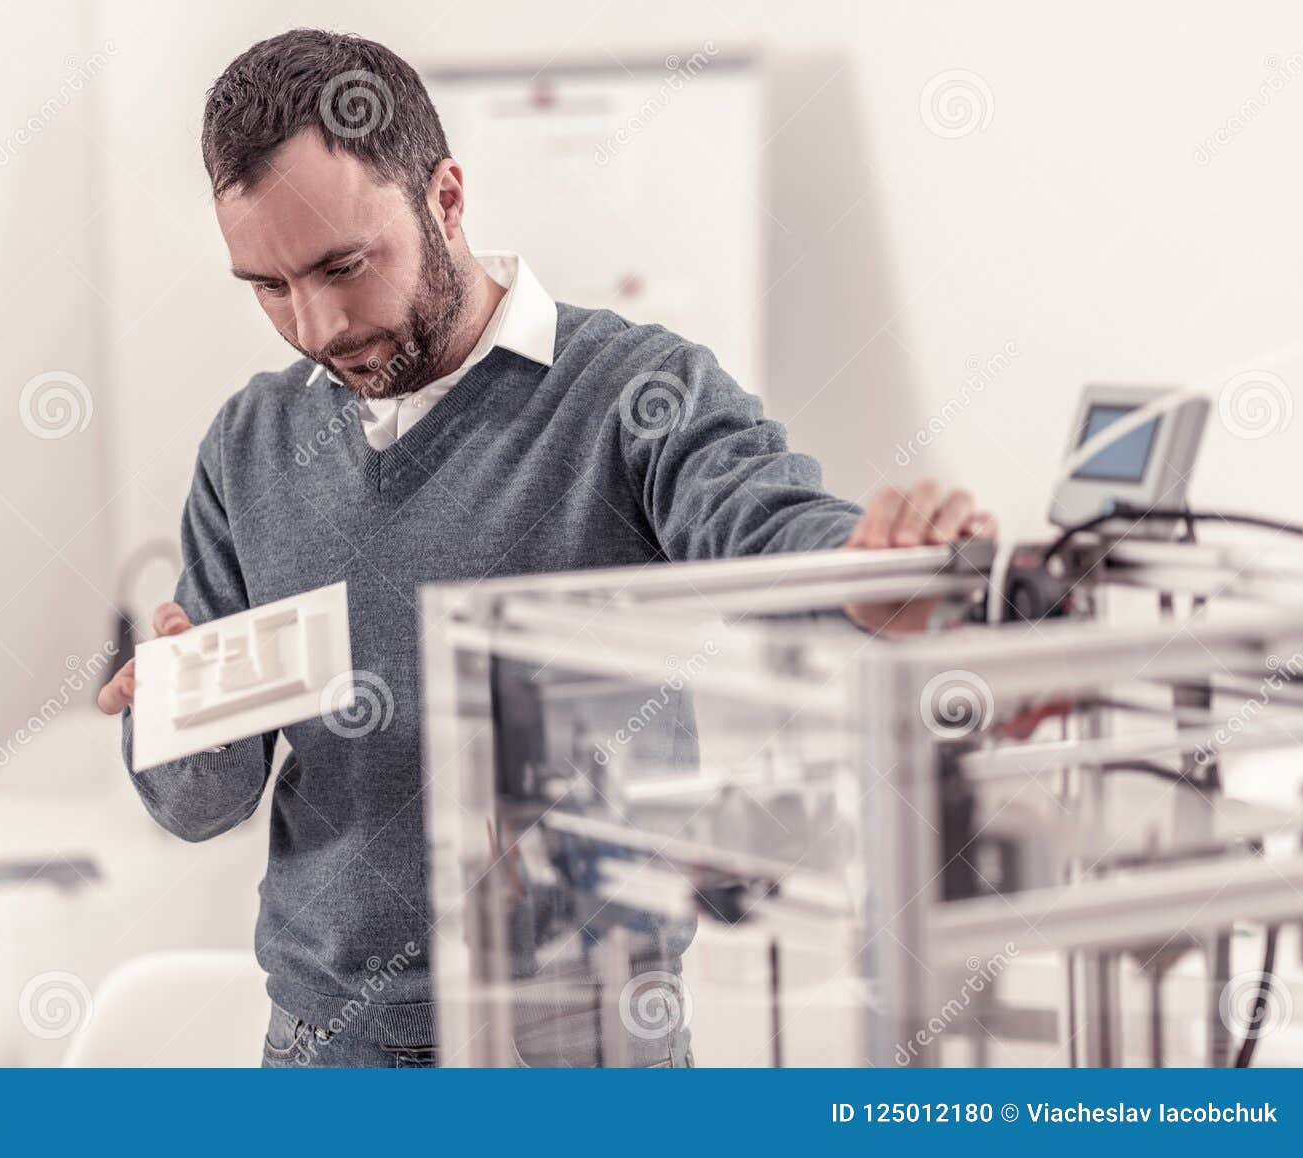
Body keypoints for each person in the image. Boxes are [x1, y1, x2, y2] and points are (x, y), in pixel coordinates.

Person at [96, 27, 996, 1068]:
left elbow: (764, 526)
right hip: (318, 1056)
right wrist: (176, 714)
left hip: (580, 1056)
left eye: (344, 265)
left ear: (444, 197)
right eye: (268, 285)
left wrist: (875, 576)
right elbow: (201, 808)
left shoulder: (627, 393)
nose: (316, 325)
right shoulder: (250, 443)